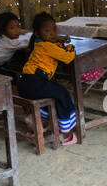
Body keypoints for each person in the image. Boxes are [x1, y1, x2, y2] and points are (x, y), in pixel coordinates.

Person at [16, 12, 79, 145]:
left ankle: (41, 121)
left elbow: (52, 44)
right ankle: (66, 131)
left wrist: (57, 40)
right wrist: (71, 46)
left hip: (24, 83)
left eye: (54, 30)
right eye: (47, 31)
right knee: (62, 93)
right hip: (34, 83)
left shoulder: (38, 43)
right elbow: (68, 57)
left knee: (56, 90)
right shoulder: (47, 46)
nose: (52, 33)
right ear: (38, 33)